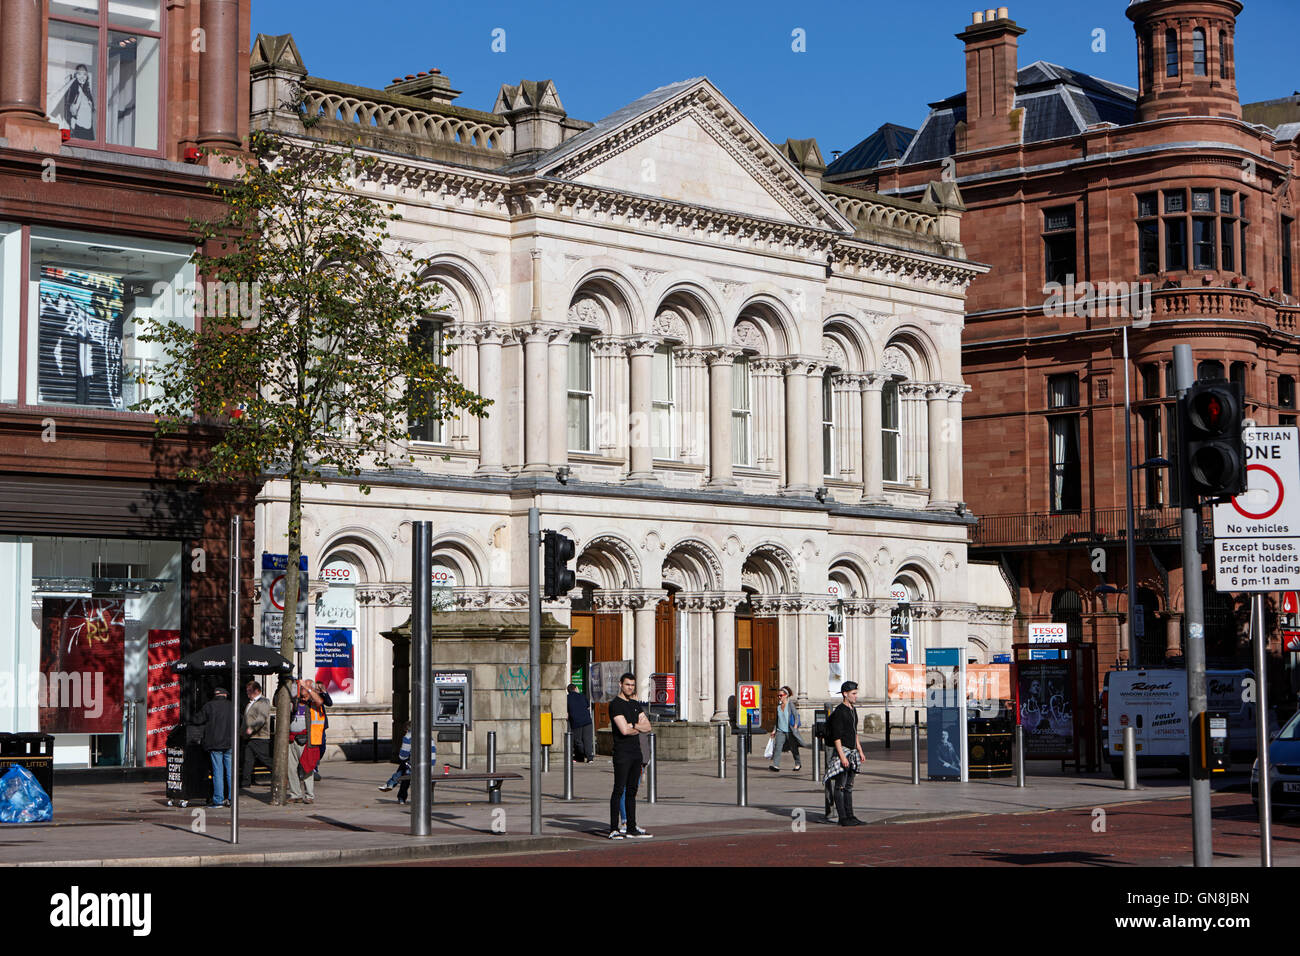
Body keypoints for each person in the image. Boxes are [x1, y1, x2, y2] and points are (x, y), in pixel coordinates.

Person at [608, 673, 652, 839]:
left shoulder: (634, 704)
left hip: (636, 752)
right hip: (622, 753)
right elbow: (623, 730)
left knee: (632, 791)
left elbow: (648, 726)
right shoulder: (615, 705)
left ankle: (631, 827)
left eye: (632, 685)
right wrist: (636, 726)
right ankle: (613, 828)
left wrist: (633, 725)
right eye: (627, 685)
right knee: (619, 789)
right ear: (620, 684)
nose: (630, 688)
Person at [823, 680, 867, 827]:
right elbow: (836, 736)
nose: (856, 696)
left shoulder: (852, 709)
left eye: (856, 693)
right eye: (853, 694)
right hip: (843, 752)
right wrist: (842, 756)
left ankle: (851, 815)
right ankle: (843, 817)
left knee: (849, 786)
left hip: (852, 751)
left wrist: (860, 750)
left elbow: (854, 732)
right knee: (840, 786)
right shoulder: (839, 712)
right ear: (845, 694)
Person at [286, 679, 329, 804]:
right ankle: (295, 794)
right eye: (301, 693)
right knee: (291, 768)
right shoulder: (294, 702)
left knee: (307, 767)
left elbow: (321, 701)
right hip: (292, 739)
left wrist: (309, 689)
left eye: (305, 693)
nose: (303, 696)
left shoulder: (312, 704)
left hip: (307, 740)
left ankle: (309, 795)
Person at [191, 686, 234, 808]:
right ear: (225, 695)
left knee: (218, 772)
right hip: (230, 743)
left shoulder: (209, 706)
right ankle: (231, 798)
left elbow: (197, 720)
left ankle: (218, 800)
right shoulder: (232, 706)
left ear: (216, 695)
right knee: (230, 772)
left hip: (215, 744)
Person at [240, 681, 272, 788]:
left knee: (264, 759)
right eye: (247, 691)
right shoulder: (251, 702)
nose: (247, 693)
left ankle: (279, 775)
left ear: (257, 690)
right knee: (248, 760)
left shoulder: (263, 702)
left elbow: (261, 718)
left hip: (259, 736)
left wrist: (251, 728)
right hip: (249, 737)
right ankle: (245, 782)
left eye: (250, 691)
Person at [769, 685, 803, 772]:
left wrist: (795, 726)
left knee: (793, 748)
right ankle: (776, 765)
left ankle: (798, 763)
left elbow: (796, 715)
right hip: (780, 730)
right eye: (778, 696)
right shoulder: (778, 706)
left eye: (781, 695)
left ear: (786, 695)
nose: (779, 697)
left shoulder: (790, 704)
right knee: (777, 747)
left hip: (789, 730)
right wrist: (774, 730)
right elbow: (777, 720)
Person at [567, 683, 594, 763]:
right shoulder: (582, 696)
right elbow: (587, 707)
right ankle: (590, 758)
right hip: (587, 721)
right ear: (575, 688)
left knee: (578, 741)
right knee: (588, 740)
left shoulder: (567, 698)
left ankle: (581, 756)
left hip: (576, 722)